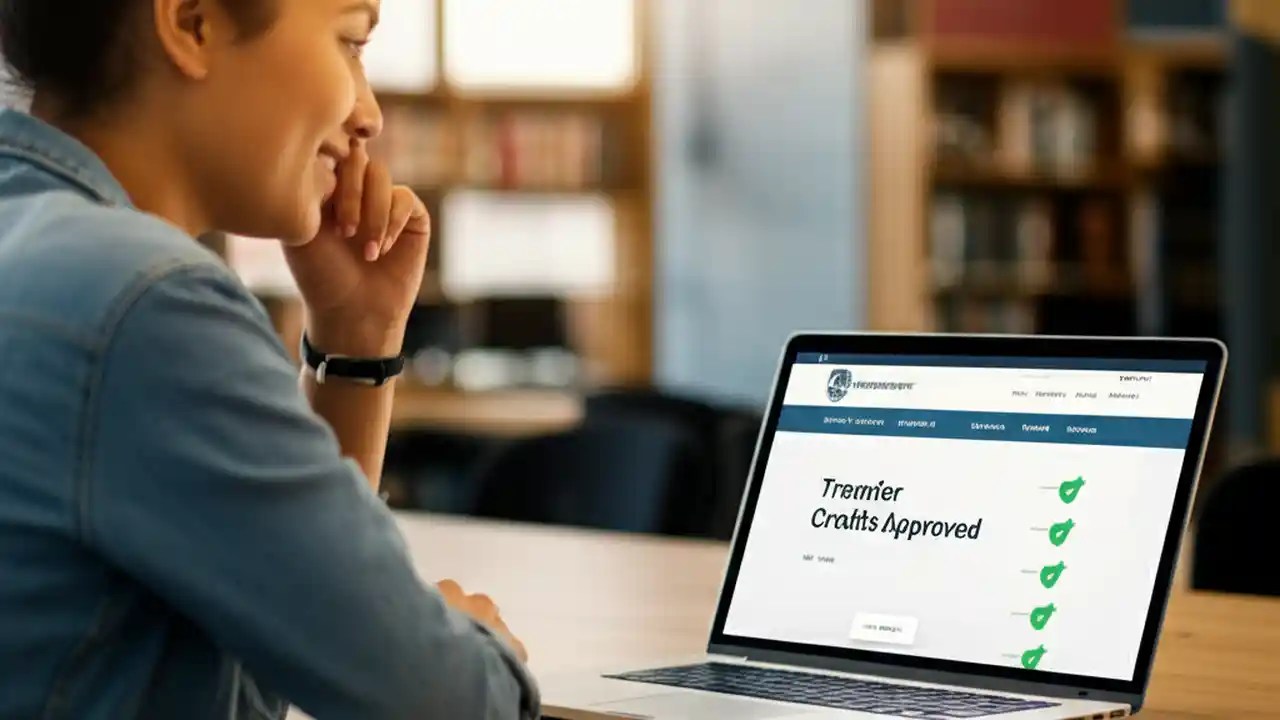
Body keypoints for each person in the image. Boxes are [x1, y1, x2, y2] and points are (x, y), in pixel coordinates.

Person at [0, 0, 538, 717]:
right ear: (192, 23)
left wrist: (356, 339)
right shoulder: (148, 303)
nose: (370, 115)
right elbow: (451, 704)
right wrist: (479, 643)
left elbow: (264, 669)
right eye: (350, 42)